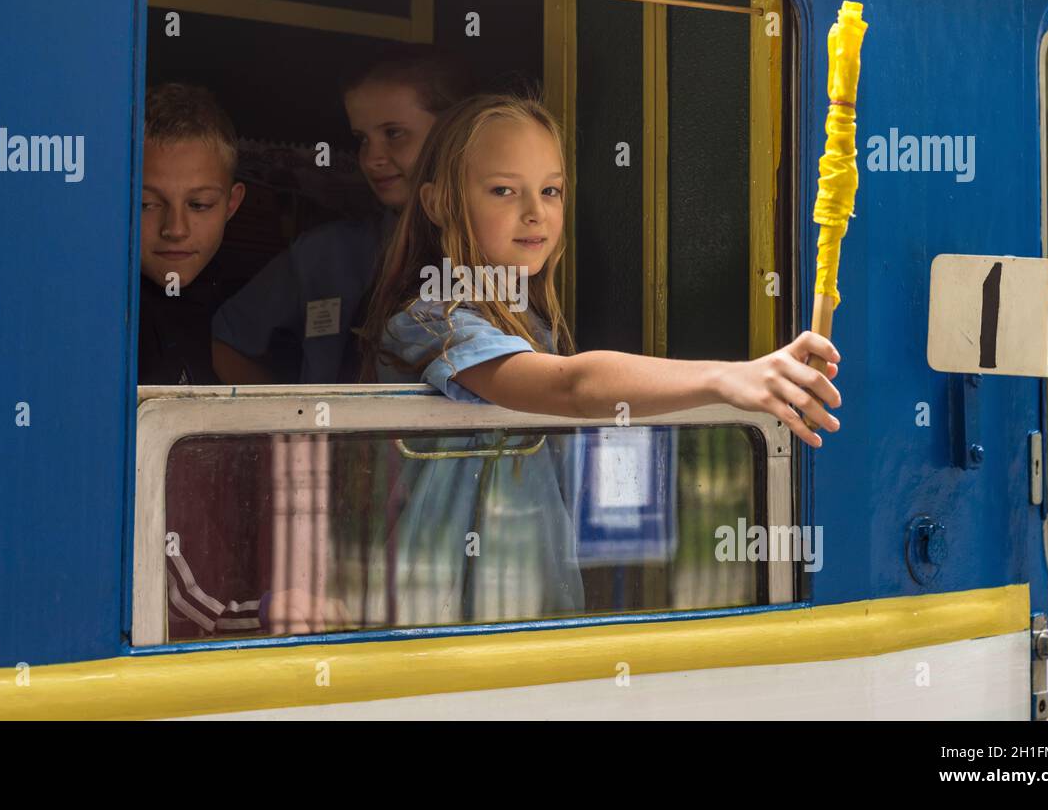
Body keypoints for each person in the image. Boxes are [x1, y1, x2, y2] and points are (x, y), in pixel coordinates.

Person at [359, 94, 843, 622]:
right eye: (503, 190)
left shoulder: (533, 327)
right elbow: (570, 386)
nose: (534, 212)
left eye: (550, 190)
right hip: (440, 621)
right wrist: (732, 379)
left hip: (528, 613)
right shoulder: (430, 320)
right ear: (438, 204)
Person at [211, 49, 472, 384]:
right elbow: (226, 341)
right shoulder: (324, 253)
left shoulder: (492, 255)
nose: (372, 157)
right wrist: (284, 428)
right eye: (362, 139)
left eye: (394, 133)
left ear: (453, 134)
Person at [138, 82, 246, 386]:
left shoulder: (237, 304)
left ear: (231, 204)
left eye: (199, 204)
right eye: (146, 204)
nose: (175, 229)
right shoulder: (99, 311)